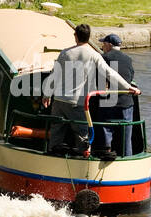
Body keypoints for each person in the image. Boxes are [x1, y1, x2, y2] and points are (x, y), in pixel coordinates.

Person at [43, 24, 137, 159]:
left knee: (56, 133)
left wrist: (47, 94)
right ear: (89, 37)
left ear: (75, 36)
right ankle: (83, 162)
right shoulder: (94, 55)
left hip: (58, 101)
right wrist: (128, 87)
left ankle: (52, 158)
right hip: (77, 103)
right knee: (82, 136)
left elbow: (54, 75)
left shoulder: (65, 53)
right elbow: (110, 73)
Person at [95, 34, 136, 157]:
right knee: (126, 137)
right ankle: (127, 159)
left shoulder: (104, 58)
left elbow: (100, 81)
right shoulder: (128, 59)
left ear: (109, 45)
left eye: (103, 44)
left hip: (109, 101)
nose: (102, 46)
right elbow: (131, 77)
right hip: (127, 103)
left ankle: (105, 155)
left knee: (105, 131)